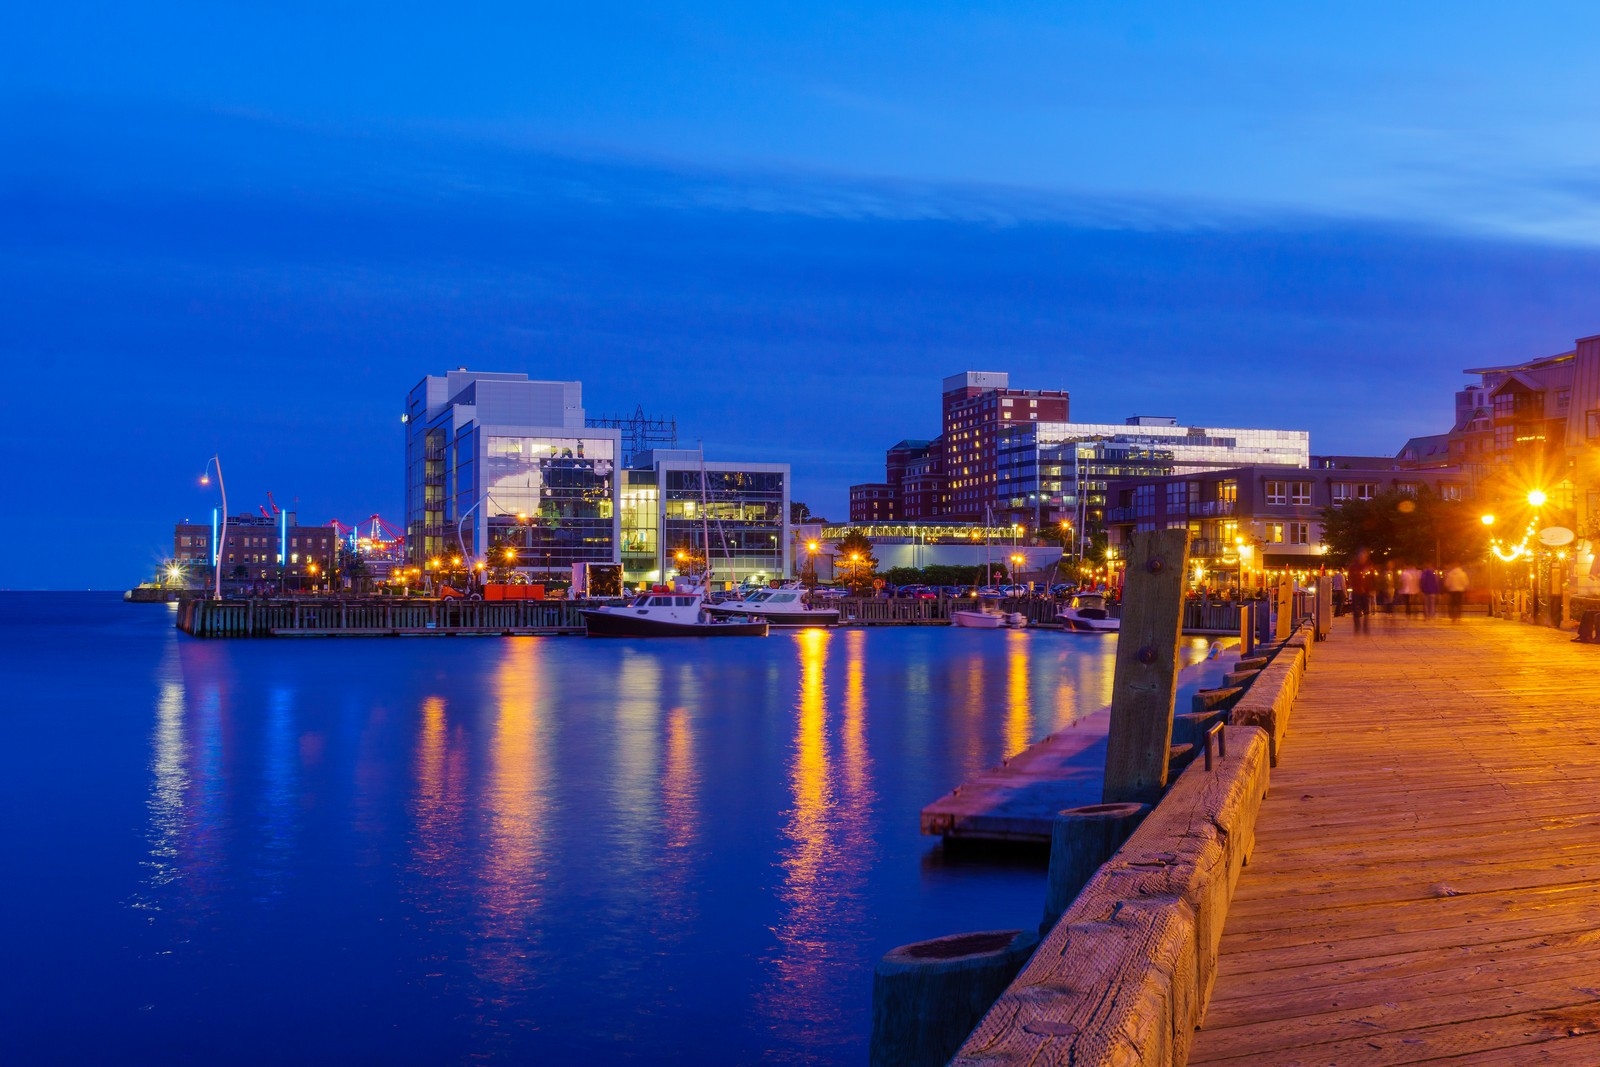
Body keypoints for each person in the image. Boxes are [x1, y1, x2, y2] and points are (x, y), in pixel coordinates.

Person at [1348, 549, 1375, 635]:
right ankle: (1357, 627)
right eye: (1362, 555)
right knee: (1356, 610)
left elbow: (1372, 578)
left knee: (1366, 610)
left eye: (1365, 555)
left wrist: (1372, 589)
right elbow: (1350, 578)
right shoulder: (1353, 567)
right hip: (1356, 591)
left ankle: (1365, 627)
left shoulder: (1369, 566)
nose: (1363, 557)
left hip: (1365, 591)